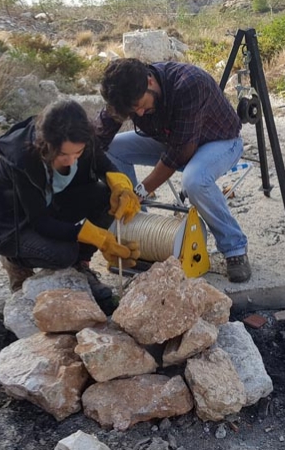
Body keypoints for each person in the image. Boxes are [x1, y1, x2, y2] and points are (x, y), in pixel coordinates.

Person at [94, 58, 252, 283]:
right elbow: (98, 138)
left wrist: (138, 192)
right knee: (113, 149)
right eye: (133, 110)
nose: (139, 113)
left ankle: (234, 248)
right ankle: (137, 229)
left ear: (150, 81)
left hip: (219, 141)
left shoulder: (189, 84)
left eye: (140, 105)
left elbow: (180, 153)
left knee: (194, 180)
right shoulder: (125, 93)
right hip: (172, 140)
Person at [0, 99, 140, 307]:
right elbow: (40, 222)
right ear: (46, 143)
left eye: (77, 153)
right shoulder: (22, 158)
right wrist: (97, 237)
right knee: (64, 254)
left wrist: (122, 186)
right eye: (63, 154)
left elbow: (104, 165)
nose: (71, 160)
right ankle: (15, 261)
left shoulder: (81, 138)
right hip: (12, 226)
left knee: (105, 196)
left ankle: (81, 265)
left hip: (51, 204)